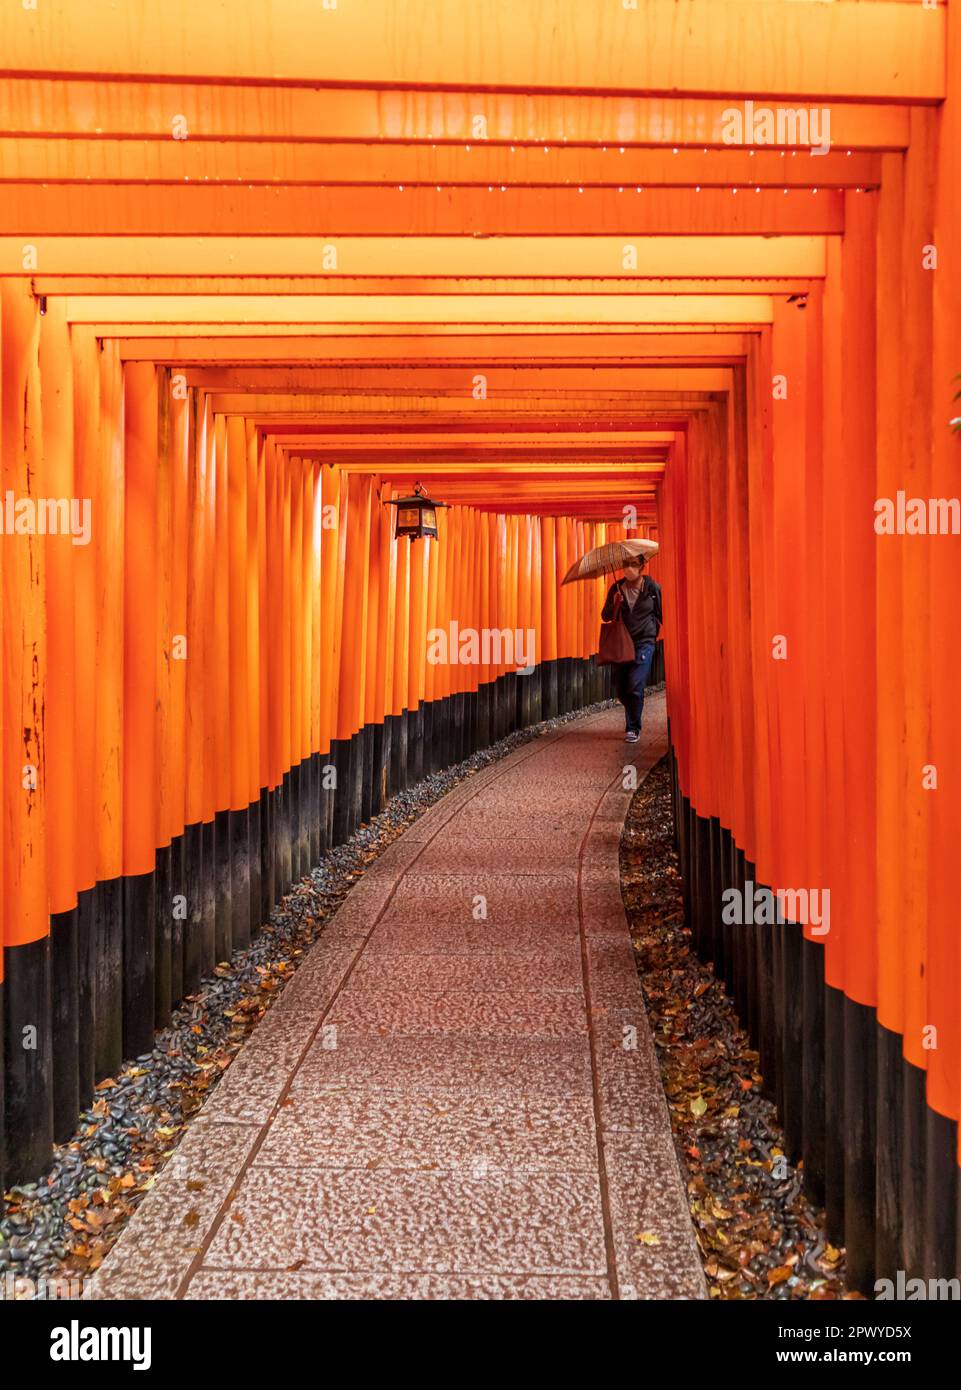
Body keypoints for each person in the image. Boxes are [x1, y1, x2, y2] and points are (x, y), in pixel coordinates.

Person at [601, 554, 663, 743]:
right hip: (622, 644)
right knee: (622, 689)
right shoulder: (617, 588)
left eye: (633, 564)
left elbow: (662, 613)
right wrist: (615, 603)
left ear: (642, 566)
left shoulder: (652, 588)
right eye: (626, 564)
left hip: (644, 642)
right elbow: (605, 616)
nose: (628, 568)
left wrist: (651, 630)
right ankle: (633, 714)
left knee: (635, 685)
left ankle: (633, 727)